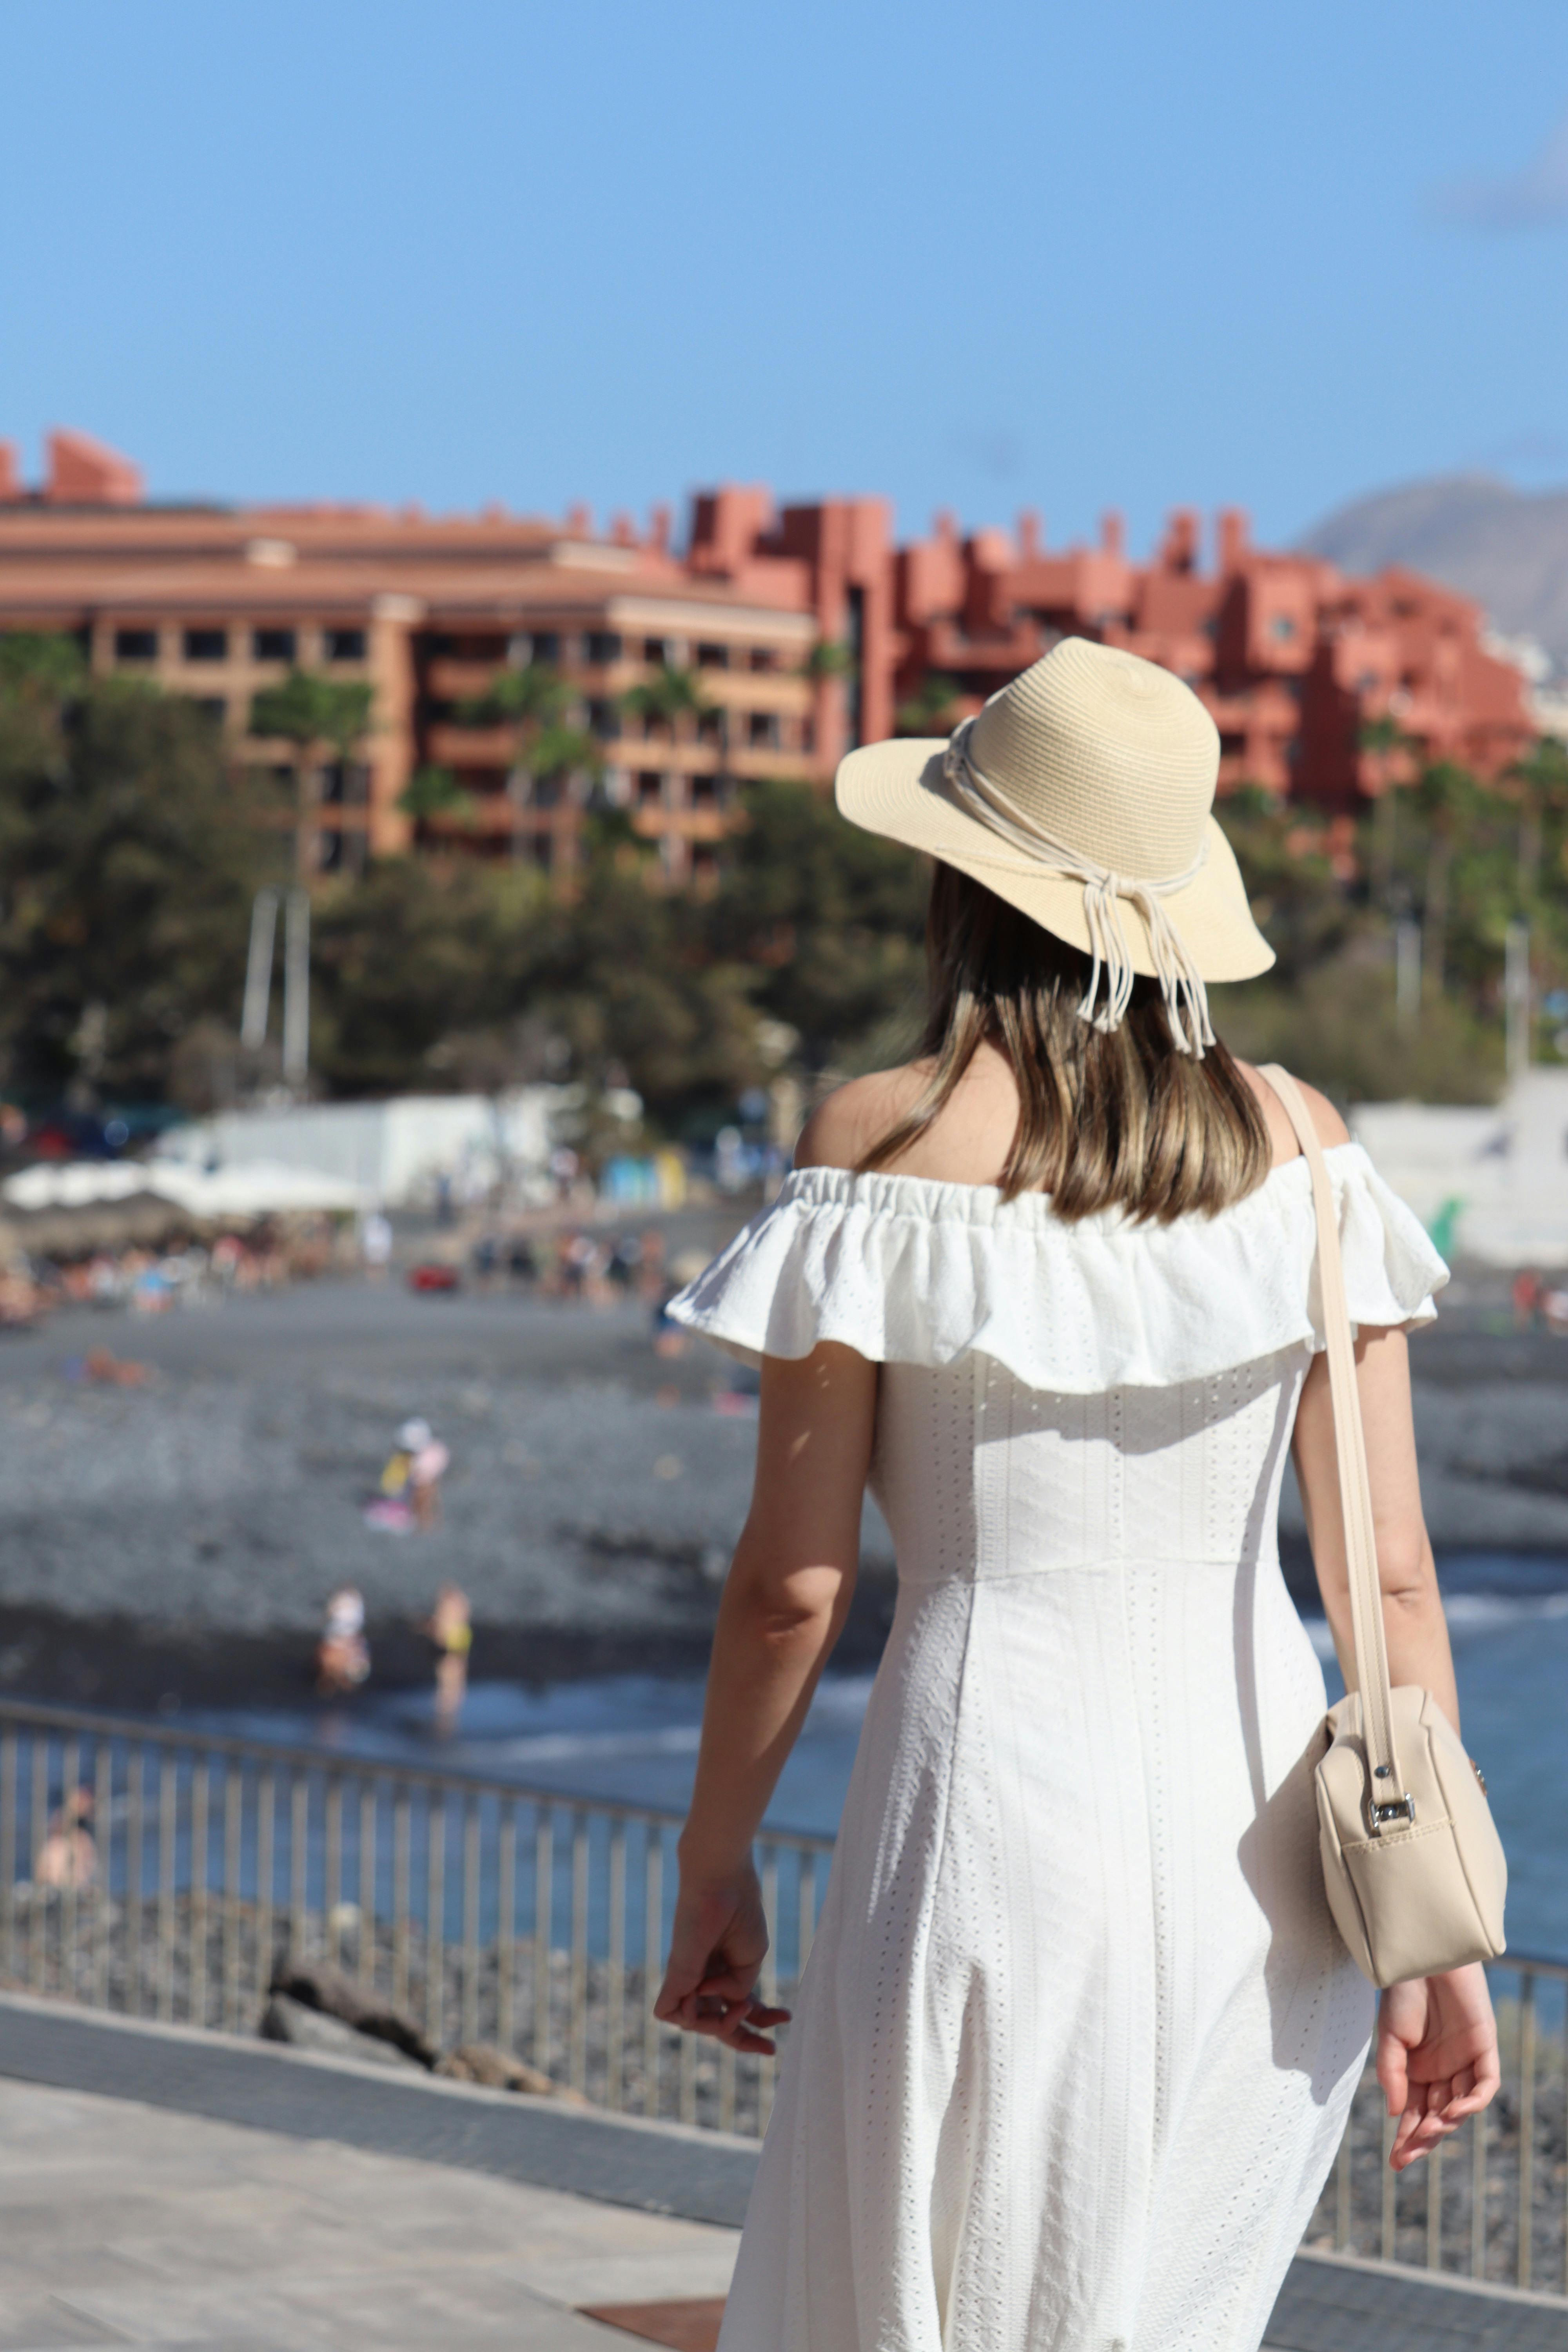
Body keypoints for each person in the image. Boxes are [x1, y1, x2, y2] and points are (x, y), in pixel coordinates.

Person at [654, 641, 1501, 2352]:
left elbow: (787, 1592)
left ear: (962, 879)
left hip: (985, 1815)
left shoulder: (880, 1151)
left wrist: (713, 1861)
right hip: (1270, 1843)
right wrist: (1441, 1936)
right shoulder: (1306, 1154)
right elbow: (1388, 1577)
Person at [425, 1583, 473, 1732]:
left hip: (452, 1655)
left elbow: (444, 1636)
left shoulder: (455, 1613)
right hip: (451, 1655)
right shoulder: (459, 1607)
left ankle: (445, 1725)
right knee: (449, 1689)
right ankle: (445, 1725)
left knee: (449, 1689)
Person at [316, 1585, 369, 1694]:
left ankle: (333, 1684)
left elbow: (330, 1613)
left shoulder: (351, 1604)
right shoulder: (353, 1603)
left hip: (343, 1636)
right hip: (341, 1637)